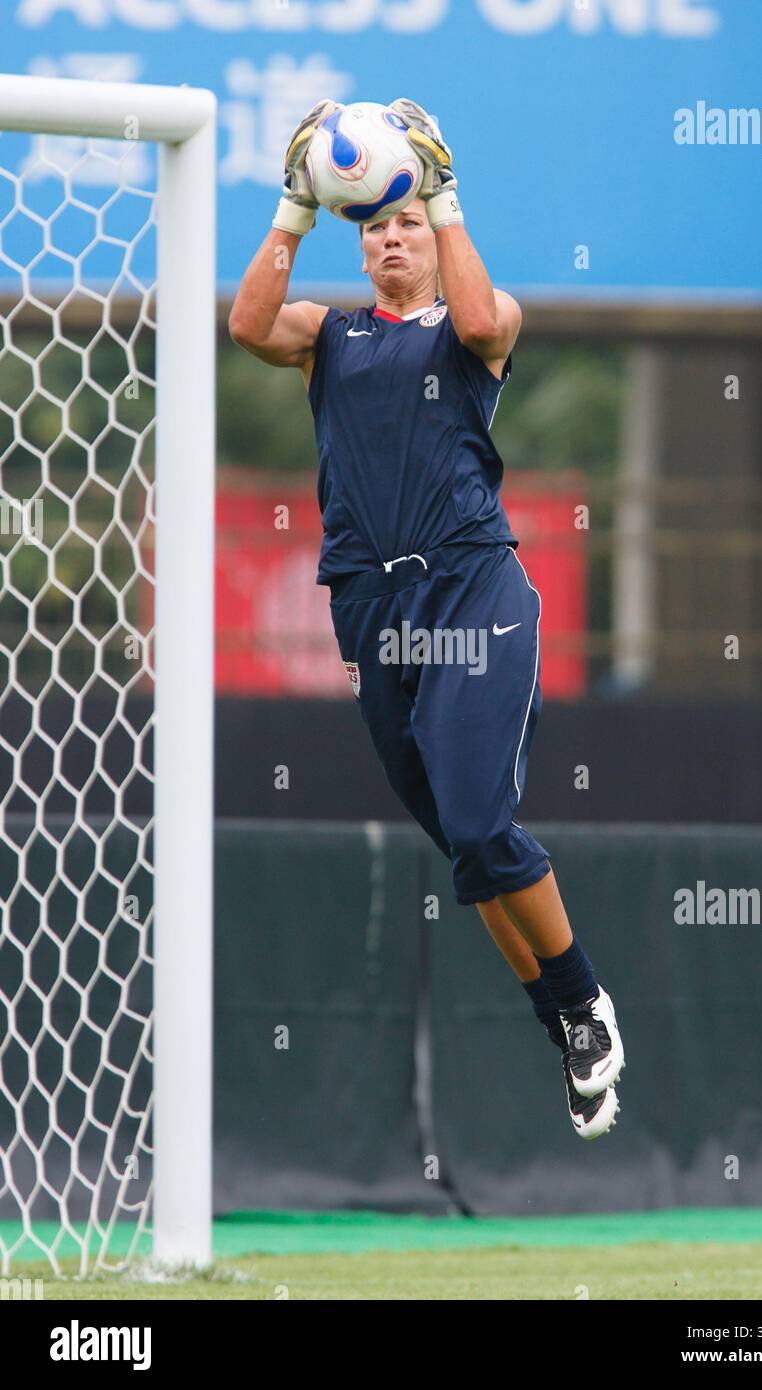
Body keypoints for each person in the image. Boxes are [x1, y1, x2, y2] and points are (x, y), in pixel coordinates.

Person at [229, 98, 624, 1139]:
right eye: (376, 226)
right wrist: (291, 205)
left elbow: (490, 320)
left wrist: (441, 196)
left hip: (469, 585)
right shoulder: (332, 335)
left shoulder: (472, 325)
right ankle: (563, 1024)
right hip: (368, 600)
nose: (390, 237)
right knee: (465, 846)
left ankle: (583, 998)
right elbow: (245, 326)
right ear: (358, 243)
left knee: (484, 822)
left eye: (405, 222)